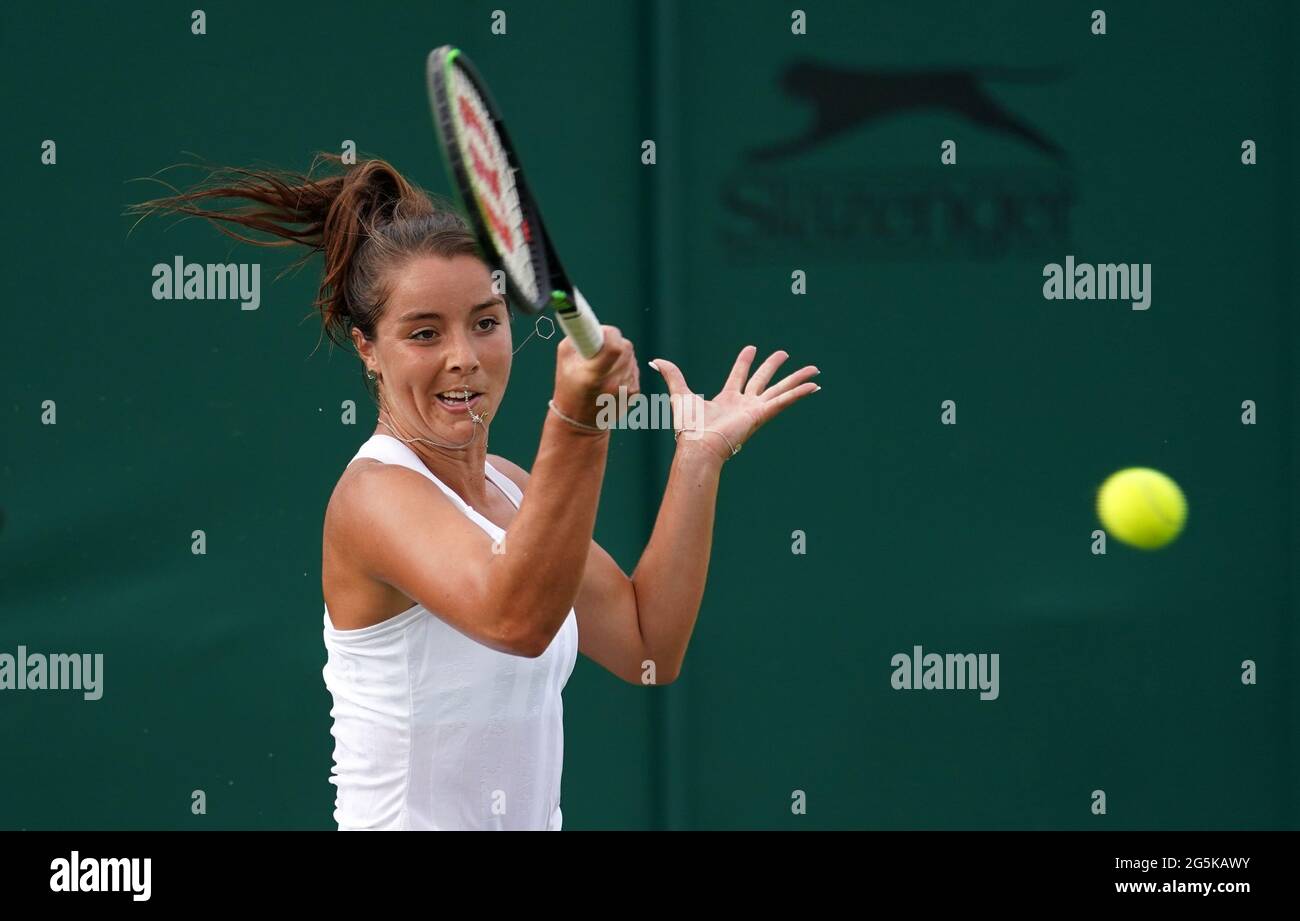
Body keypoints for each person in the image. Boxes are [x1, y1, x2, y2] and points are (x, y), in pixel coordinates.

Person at [130, 154, 821, 829]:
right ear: (368, 347)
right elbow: (515, 618)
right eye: (424, 332)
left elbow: (648, 645)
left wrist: (698, 460)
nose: (463, 355)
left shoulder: (514, 488)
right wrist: (579, 420)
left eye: (486, 322)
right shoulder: (372, 496)